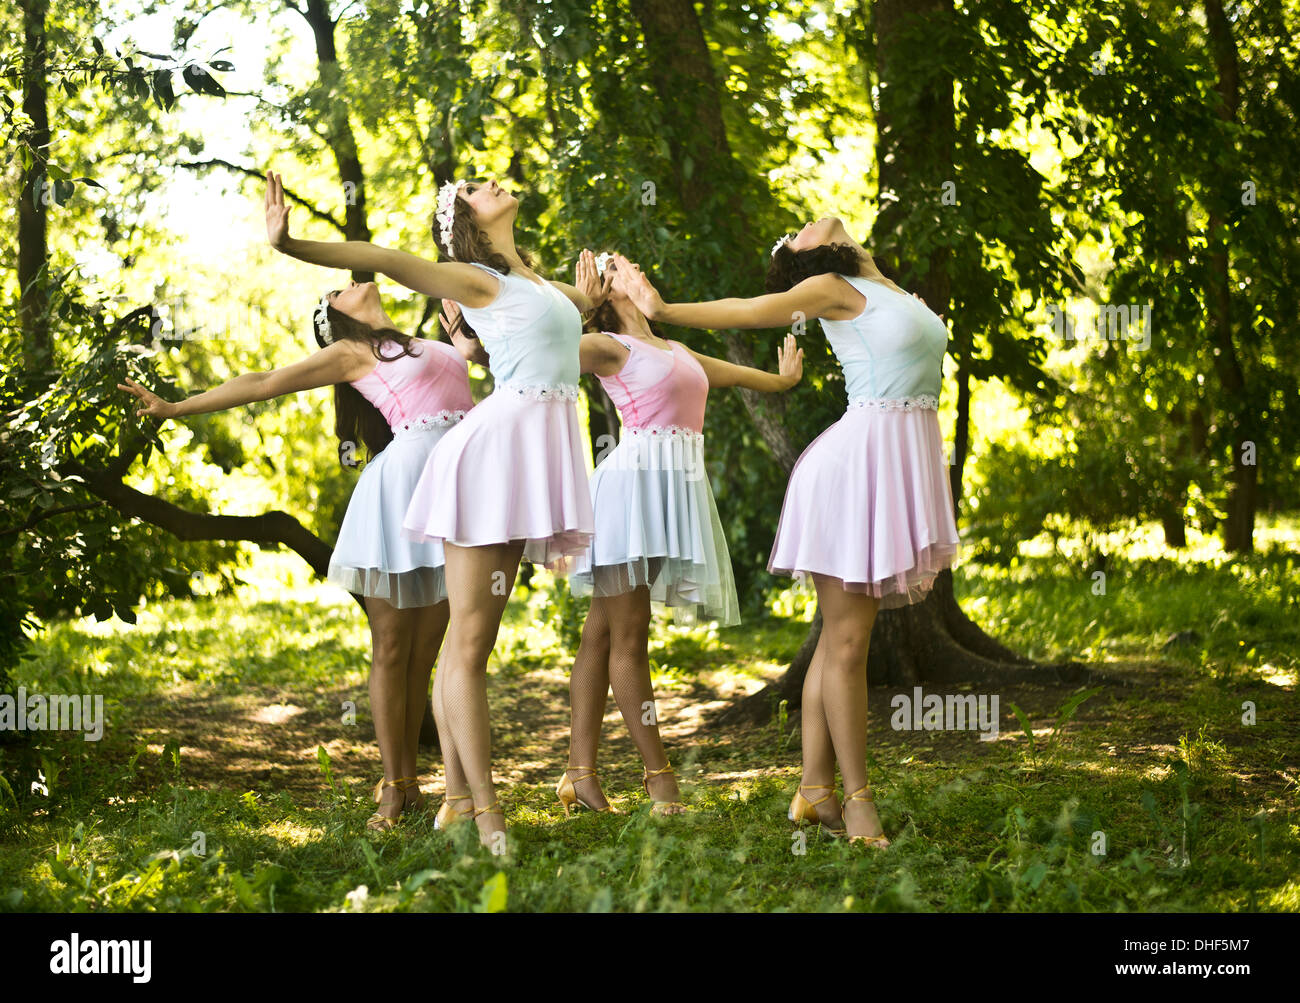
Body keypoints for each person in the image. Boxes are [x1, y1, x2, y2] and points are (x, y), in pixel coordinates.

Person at [262, 172, 608, 849]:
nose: (497, 181)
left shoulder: (533, 282)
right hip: (488, 456)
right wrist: (291, 242)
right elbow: (386, 258)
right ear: (468, 221)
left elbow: (569, 320)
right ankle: (485, 813)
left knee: (469, 641)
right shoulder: (472, 278)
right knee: (468, 645)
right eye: (479, 185)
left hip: (527, 455)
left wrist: (591, 301)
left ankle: (456, 801)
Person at [610, 217, 960, 846]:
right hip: (857, 471)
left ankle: (814, 788)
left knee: (841, 640)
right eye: (794, 236)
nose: (800, 225)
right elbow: (752, 309)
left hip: (896, 462)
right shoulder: (830, 286)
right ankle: (857, 803)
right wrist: (661, 307)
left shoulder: (890, 289)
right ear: (810, 261)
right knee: (849, 646)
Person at [120, 279, 480, 832]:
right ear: (335, 316)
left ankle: (424, 785)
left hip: (455, 493)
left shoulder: (429, 337)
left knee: (425, 656)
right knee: (391, 647)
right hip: (400, 495)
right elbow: (264, 382)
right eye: (339, 286)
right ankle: (395, 786)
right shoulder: (352, 352)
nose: (355, 279)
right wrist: (176, 407)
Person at [559, 251, 803, 817]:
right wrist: (579, 307)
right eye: (616, 265)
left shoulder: (677, 351)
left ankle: (578, 775)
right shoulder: (607, 347)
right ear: (606, 291)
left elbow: (740, 375)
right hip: (630, 497)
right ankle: (659, 778)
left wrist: (784, 379)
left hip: (667, 493)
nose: (630, 266)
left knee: (601, 633)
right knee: (629, 636)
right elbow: (544, 357)